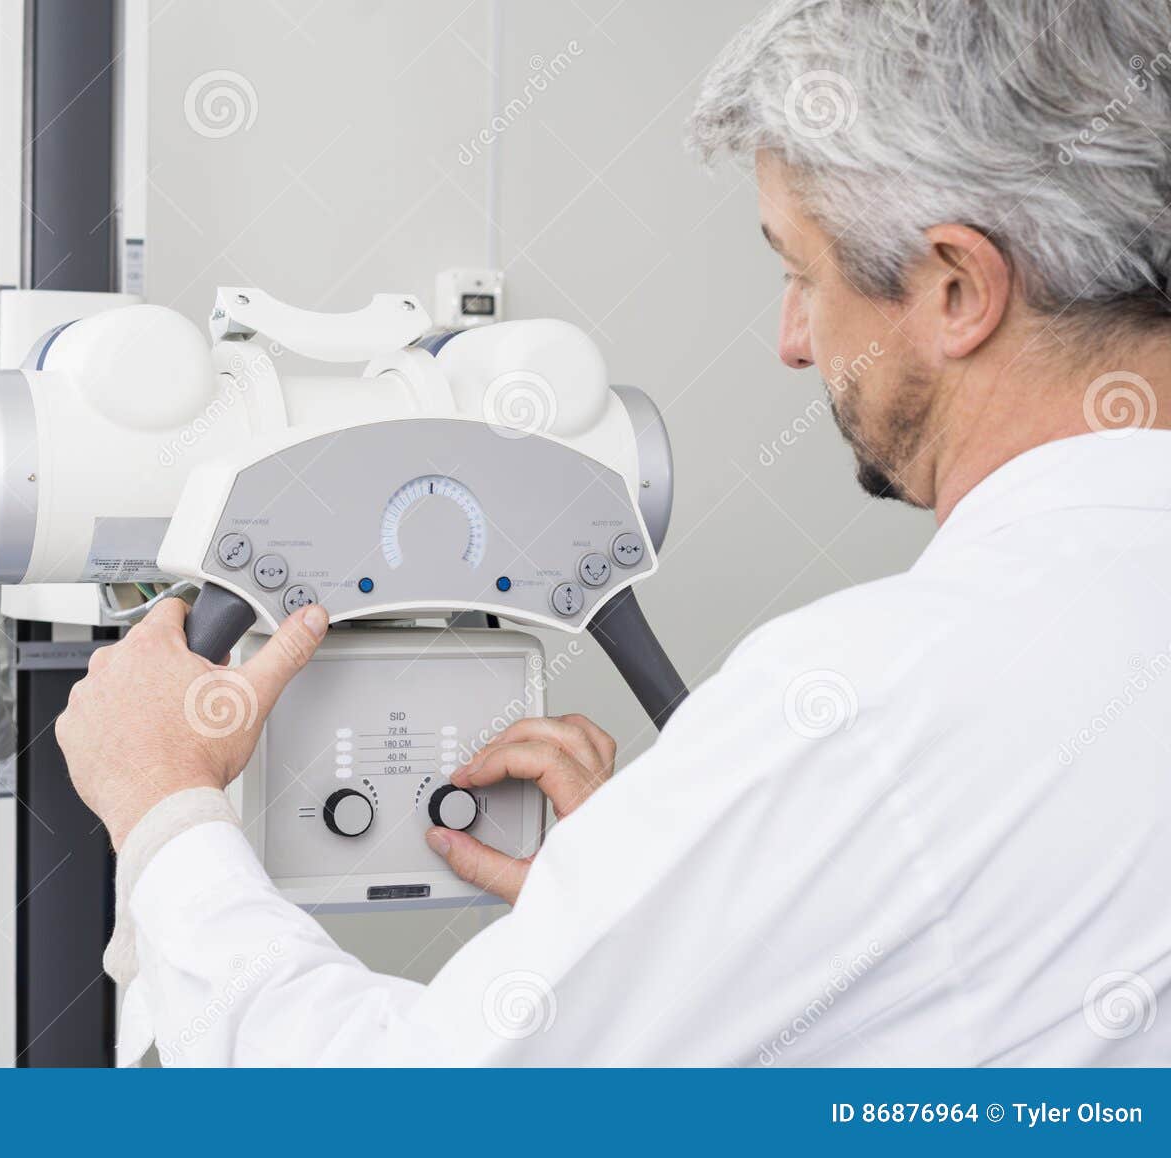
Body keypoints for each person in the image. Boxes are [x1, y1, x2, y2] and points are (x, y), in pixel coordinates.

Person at [57, 0, 1171, 1065]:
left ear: (954, 287)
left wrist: (165, 812)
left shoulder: (870, 702)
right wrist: (685, 930)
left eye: (800, 273)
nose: (789, 342)